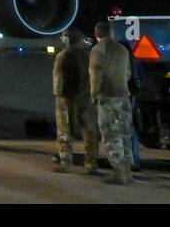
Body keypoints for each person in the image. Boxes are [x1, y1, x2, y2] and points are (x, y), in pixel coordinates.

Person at [90, 20, 134, 185]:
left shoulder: (98, 50)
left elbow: (95, 75)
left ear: (97, 35)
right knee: (125, 133)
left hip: (107, 96)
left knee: (110, 134)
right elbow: (128, 73)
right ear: (112, 33)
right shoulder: (122, 50)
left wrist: (94, 95)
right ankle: (128, 171)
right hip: (123, 95)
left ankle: (118, 172)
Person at [52, 27, 99, 174]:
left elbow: (59, 79)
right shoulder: (88, 55)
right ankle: (91, 163)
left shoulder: (63, 56)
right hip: (86, 97)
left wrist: (58, 95)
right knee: (89, 131)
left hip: (67, 98)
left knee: (65, 130)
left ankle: (66, 162)